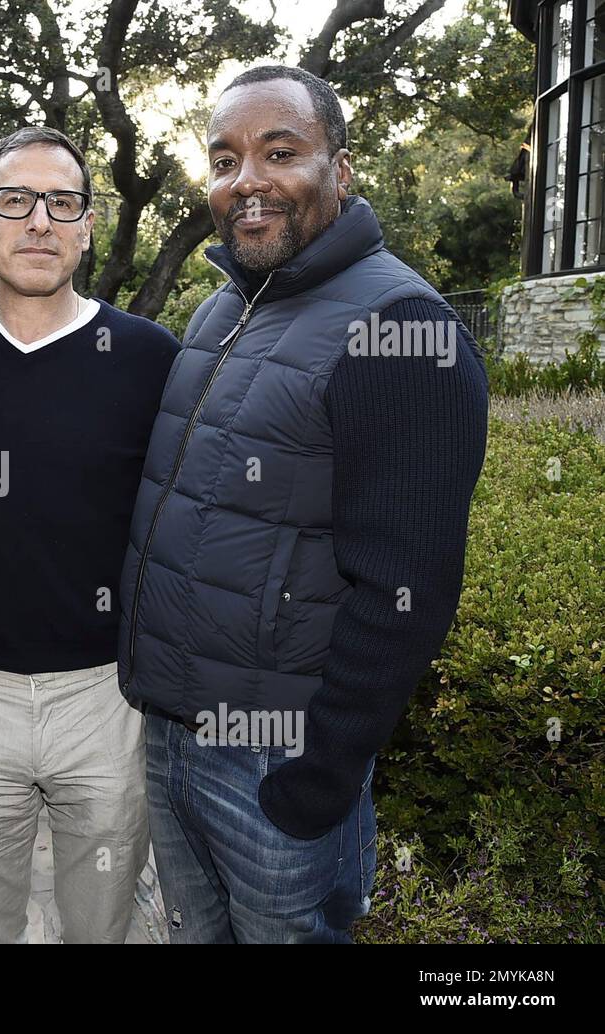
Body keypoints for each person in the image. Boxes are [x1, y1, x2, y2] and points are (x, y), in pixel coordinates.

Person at [118, 66, 489, 943]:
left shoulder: (405, 333)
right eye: (224, 159)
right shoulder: (221, 310)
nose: (247, 180)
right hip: (173, 735)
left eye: (280, 152)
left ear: (341, 171)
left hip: (275, 767)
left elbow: (409, 591)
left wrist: (319, 775)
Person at [0, 127, 180, 943]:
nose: (38, 222)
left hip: (107, 700)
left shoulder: (148, 357)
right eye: (14, 200)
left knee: (101, 927)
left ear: (88, 224)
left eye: (62, 203)